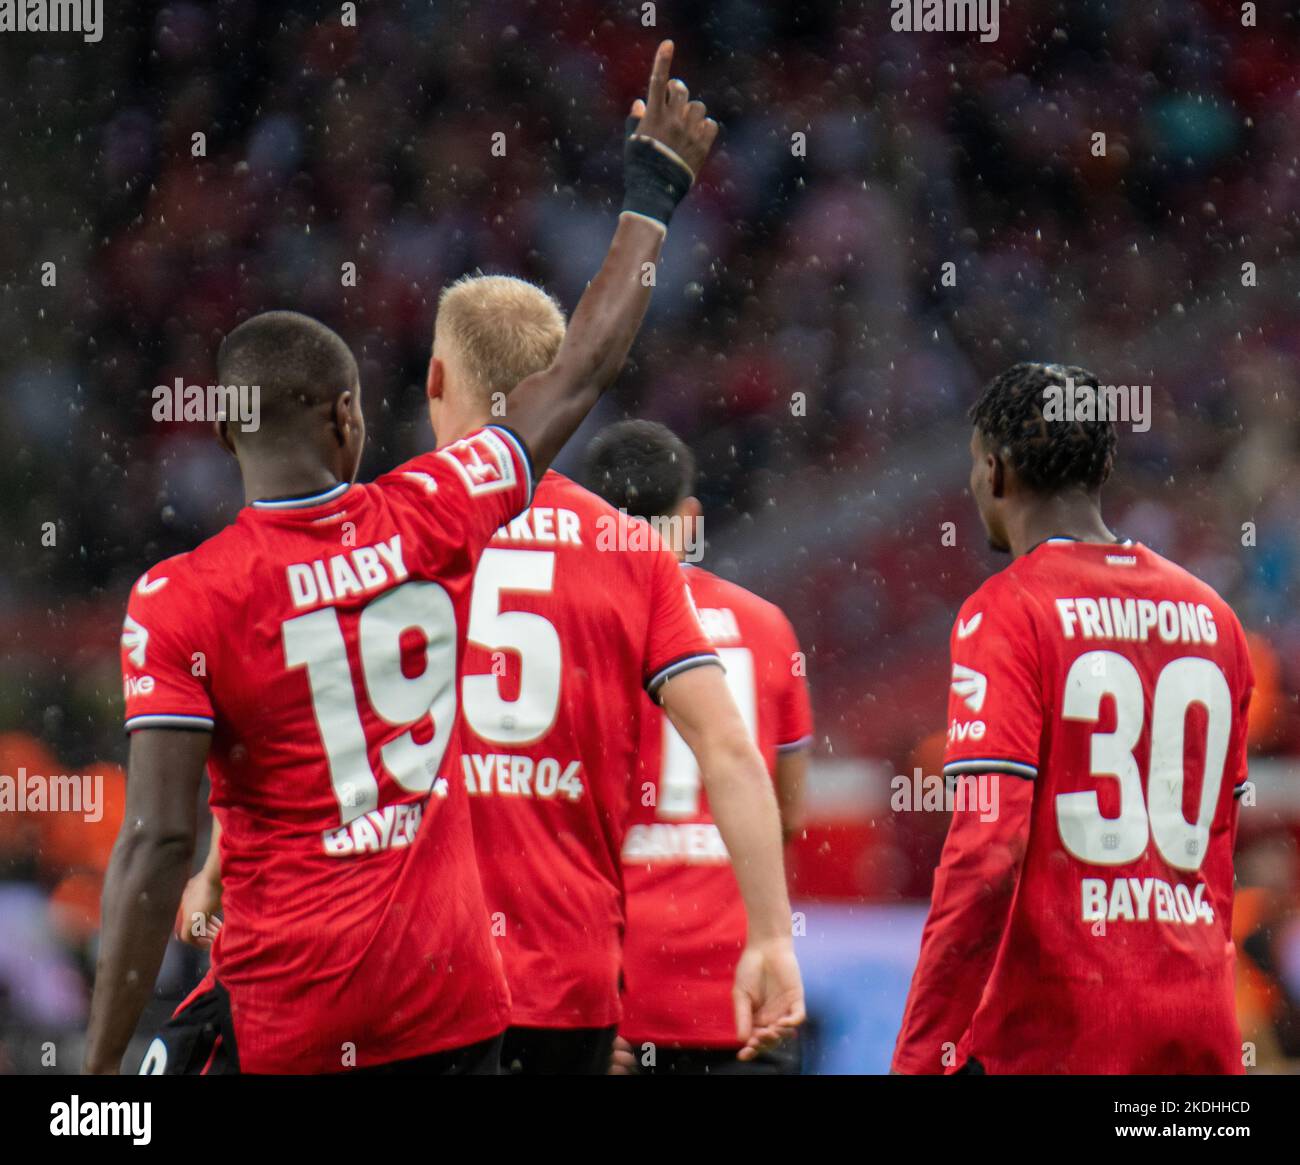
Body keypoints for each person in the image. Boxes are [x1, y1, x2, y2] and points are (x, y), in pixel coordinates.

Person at [84, 39, 719, 1075]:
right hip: (448, 1003)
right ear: (346, 418)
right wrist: (652, 190)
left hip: (295, 1010)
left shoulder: (179, 599)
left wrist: (100, 1069)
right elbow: (583, 365)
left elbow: (157, 841)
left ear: (225, 434)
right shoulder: (427, 511)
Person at [179, 281, 807, 1076]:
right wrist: (772, 935)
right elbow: (728, 748)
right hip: (569, 985)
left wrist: (213, 871)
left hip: (410, 985)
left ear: (435, 380)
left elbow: (290, 727)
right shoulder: (631, 550)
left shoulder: (386, 533)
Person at [891, 362, 1255, 1075]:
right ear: (1104, 466)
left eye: (974, 466)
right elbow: (1219, 848)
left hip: (1062, 1038)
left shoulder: (1009, 611)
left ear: (995, 472)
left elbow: (987, 852)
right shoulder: (1216, 617)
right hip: (1199, 1038)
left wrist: (918, 1053)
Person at [584, 420, 813, 1075]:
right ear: (688, 519)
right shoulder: (767, 625)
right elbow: (789, 812)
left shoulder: (582, 626)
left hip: (617, 999)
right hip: (745, 991)